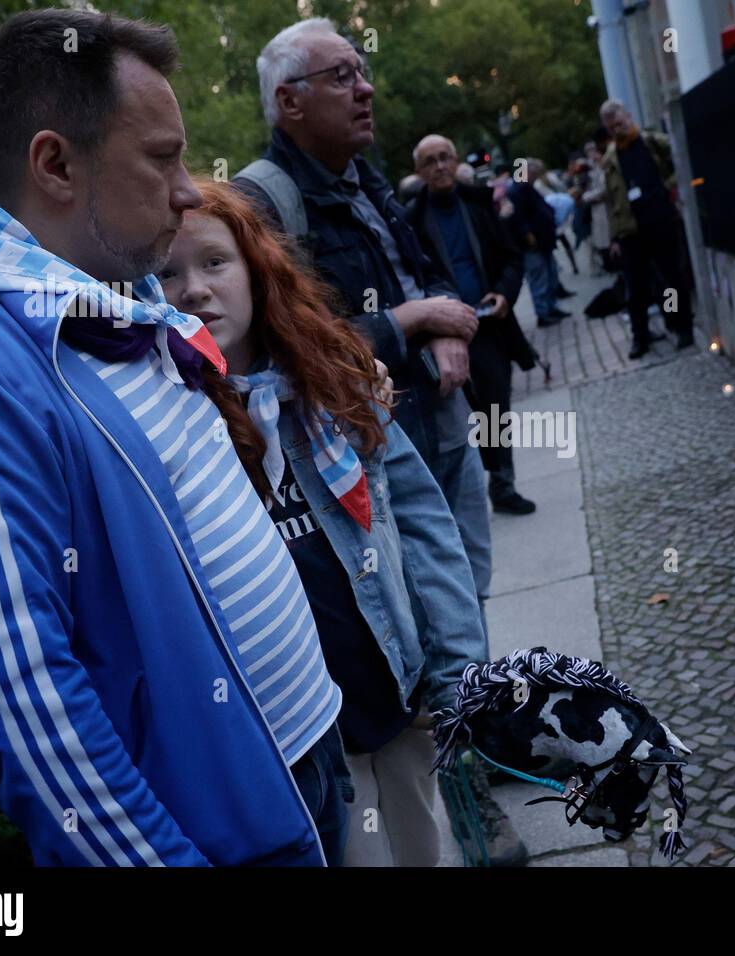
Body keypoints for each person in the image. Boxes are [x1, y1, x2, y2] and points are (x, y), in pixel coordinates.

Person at [0, 8, 350, 866]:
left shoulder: (116, 283)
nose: (187, 189)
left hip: (306, 756)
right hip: (217, 832)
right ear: (55, 163)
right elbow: (22, 705)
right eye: (162, 157)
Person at [232, 18, 526, 866]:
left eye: (362, 72)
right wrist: (406, 324)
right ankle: (469, 814)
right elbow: (288, 342)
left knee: (460, 610)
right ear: (287, 102)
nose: (365, 89)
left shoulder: (362, 181)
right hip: (365, 464)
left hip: (435, 437)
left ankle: (474, 773)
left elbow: (425, 274)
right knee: (410, 636)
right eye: (340, 76)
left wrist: (446, 329)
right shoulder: (264, 205)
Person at [159, 178, 486, 867]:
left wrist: (459, 670)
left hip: (395, 690)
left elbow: (423, 523)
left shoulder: (336, 379)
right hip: (301, 736)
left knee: (425, 849)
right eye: (166, 271)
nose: (193, 289)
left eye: (214, 262)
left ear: (256, 266)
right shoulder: (170, 422)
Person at [408, 133, 538, 516]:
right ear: (419, 171)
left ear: (455, 160)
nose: (440, 166)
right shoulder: (411, 219)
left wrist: (503, 294)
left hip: (490, 324)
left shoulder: (480, 205)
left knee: (496, 402)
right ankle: (473, 484)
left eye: (445, 157)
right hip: (441, 332)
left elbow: (514, 258)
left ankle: (503, 482)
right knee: (463, 410)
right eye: (430, 161)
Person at [599, 99, 694, 358]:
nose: (617, 130)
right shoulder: (611, 160)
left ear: (629, 117)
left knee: (670, 278)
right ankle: (640, 336)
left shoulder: (651, 143)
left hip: (659, 221)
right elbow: (612, 202)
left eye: (620, 124)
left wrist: (667, 188)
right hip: (630, 231)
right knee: (636, 287)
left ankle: (679, 325)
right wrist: (615, 237)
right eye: (611, 128)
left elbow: (681, 159)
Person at [507, 158, 566, 326]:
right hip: (532, 244)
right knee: (539, 278)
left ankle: (550, 308)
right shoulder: (517, 190)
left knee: (549, 275)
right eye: (533, 173)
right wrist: (528, 235)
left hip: (542, 241)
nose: (535, 176)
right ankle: (543, 312)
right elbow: (518, 218)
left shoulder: (525, 188)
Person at [581, 131, 612, 274]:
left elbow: (604, 188)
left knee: (608, 237)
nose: (591, 154)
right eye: (588, 151)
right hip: (597, 208)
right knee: (601, 239)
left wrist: (587, 196)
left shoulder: (602, 164)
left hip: (606, 207)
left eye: (592, 150)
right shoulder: (588, 167)